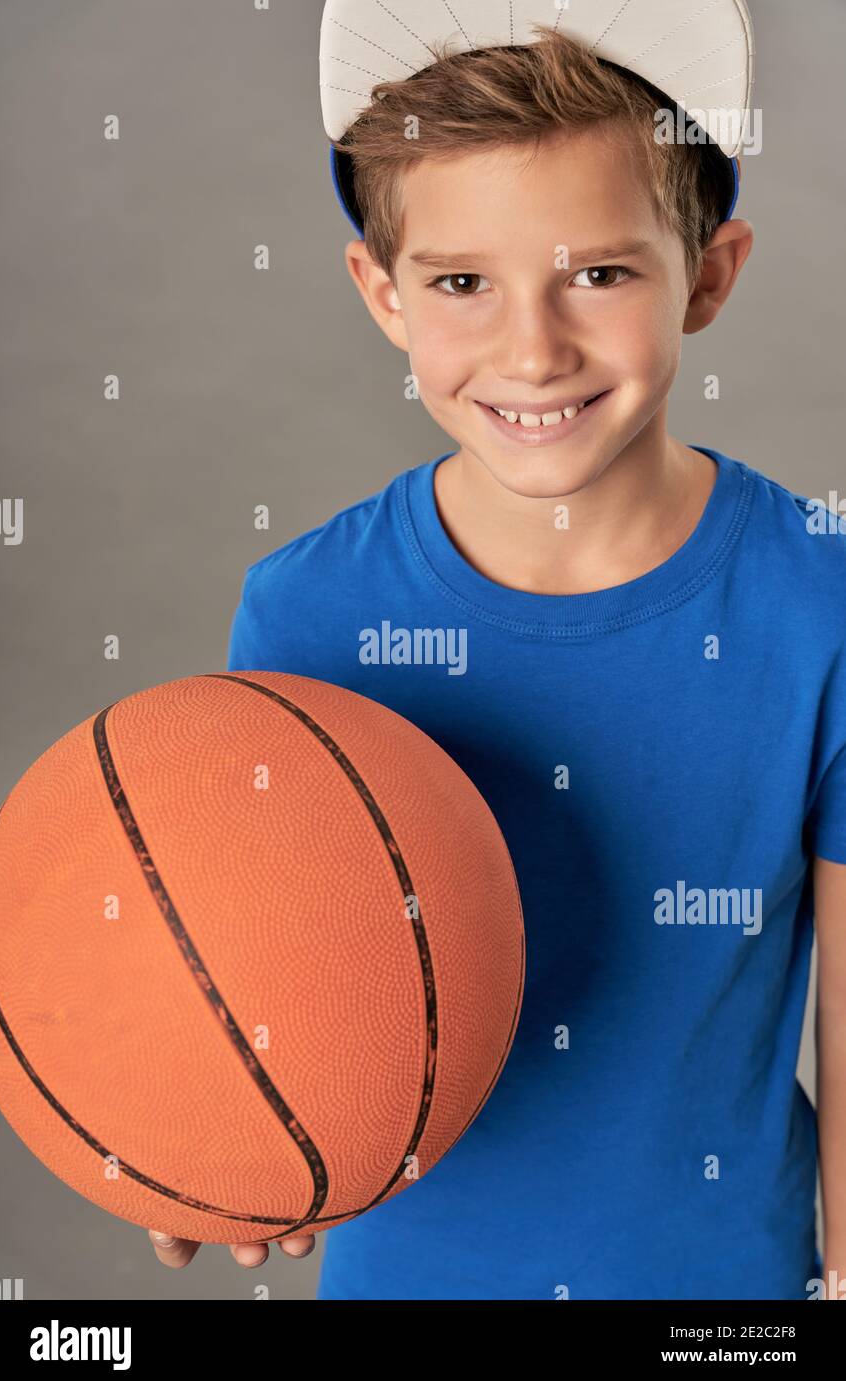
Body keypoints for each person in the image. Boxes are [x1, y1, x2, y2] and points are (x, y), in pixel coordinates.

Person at [151, 10, 846, 1299]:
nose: (534, 349)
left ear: (709, 271)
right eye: (462, 283)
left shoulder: (823, 605)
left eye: (600, 274)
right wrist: (208, 1122)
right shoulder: (305, 616)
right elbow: (259, 972)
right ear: (381, 293)